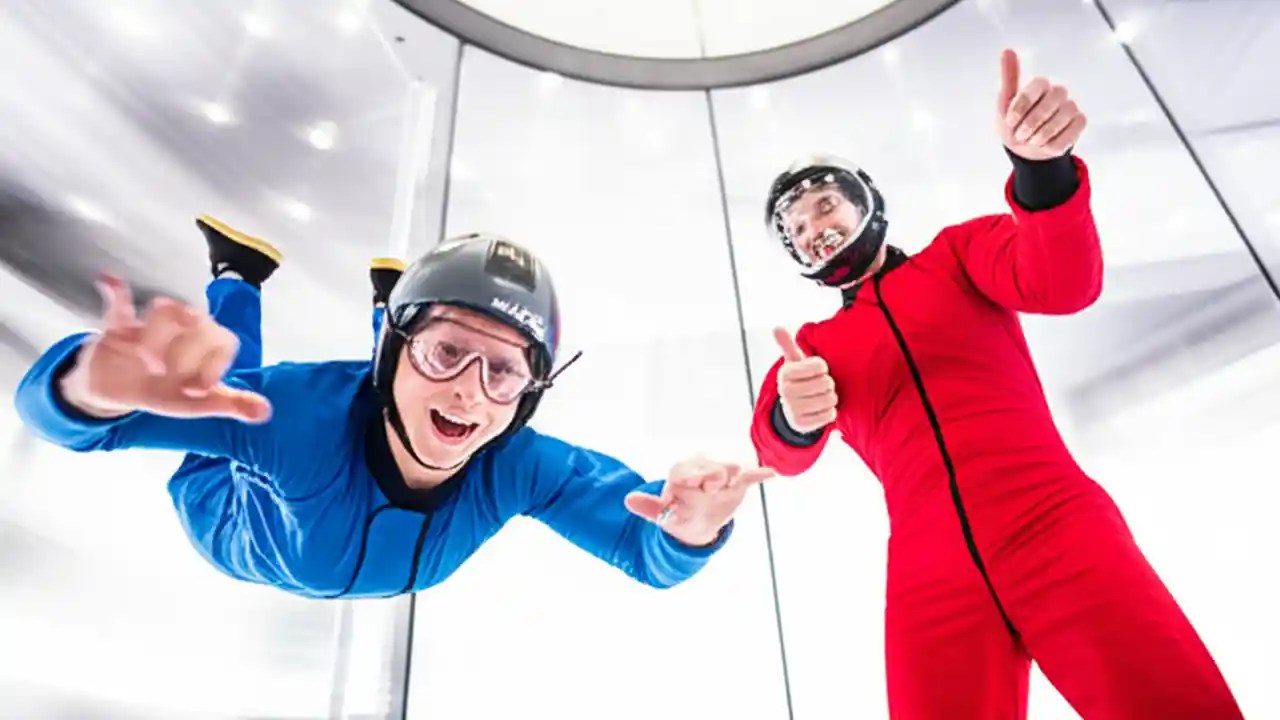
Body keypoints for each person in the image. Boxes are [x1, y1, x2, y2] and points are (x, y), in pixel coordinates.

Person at [751, 49, 1242, 719]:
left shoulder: (957, 255)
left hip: (1056, 524)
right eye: (798, 229)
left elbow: (1063, 281)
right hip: (929, 573)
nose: (815, 230)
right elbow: (775, 452)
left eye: (825, 206)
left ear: (866, 199)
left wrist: (1041, 170)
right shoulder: (812, 349)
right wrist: (794, 417)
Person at [13, 215, 773, 599]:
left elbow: (646, 551)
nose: (471, 391)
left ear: (529, 397)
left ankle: (390, 306)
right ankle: (236, 277)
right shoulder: (294, 416)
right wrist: (88, 385)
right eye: (446, 352)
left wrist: (693, 527)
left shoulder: (518, 464)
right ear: (393, 349)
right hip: (222, 509)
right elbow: (57, 419)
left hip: (353, 435)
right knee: (221, 383)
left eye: (504, 372)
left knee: (393, 397)